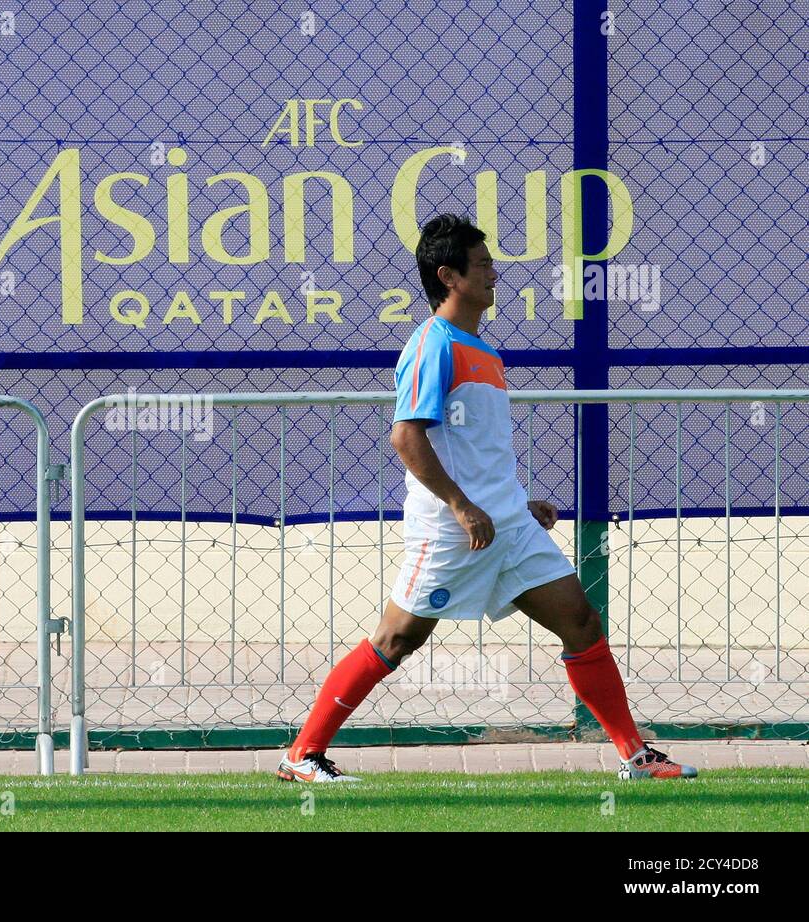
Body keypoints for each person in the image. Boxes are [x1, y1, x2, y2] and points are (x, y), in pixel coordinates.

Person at [276, 214, 696, 783]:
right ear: (449, 276)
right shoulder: (433, 345)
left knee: (579, 618)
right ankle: (302, 755)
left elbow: (476, 450)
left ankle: (635, 756)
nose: (496, 273)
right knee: (396, 640)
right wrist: (459, 505)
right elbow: (406, 435)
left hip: (507, 526)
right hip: (451, 529)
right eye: (483, 265)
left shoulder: (483, 351)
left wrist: (517, 505)